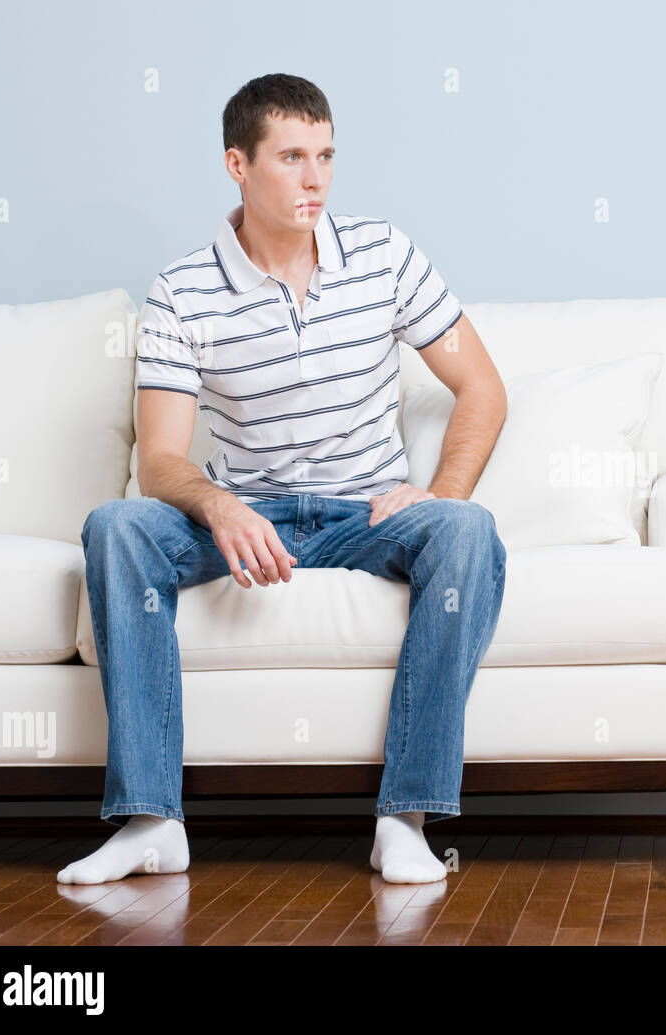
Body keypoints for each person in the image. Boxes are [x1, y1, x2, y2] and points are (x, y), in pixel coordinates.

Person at [57, 73, 508, 886]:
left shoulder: (384, 254)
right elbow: (160, 456)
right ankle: (153, 821)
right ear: (237, 164)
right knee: (116, 525)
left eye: (326, 155)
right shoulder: (182, 289)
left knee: (468, 531)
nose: (315, 179)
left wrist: (442, 493)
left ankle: (405, 818)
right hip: (247, 512)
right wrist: (220, 505)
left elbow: (483, 386)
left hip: (366, 512)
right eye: (292, 156)